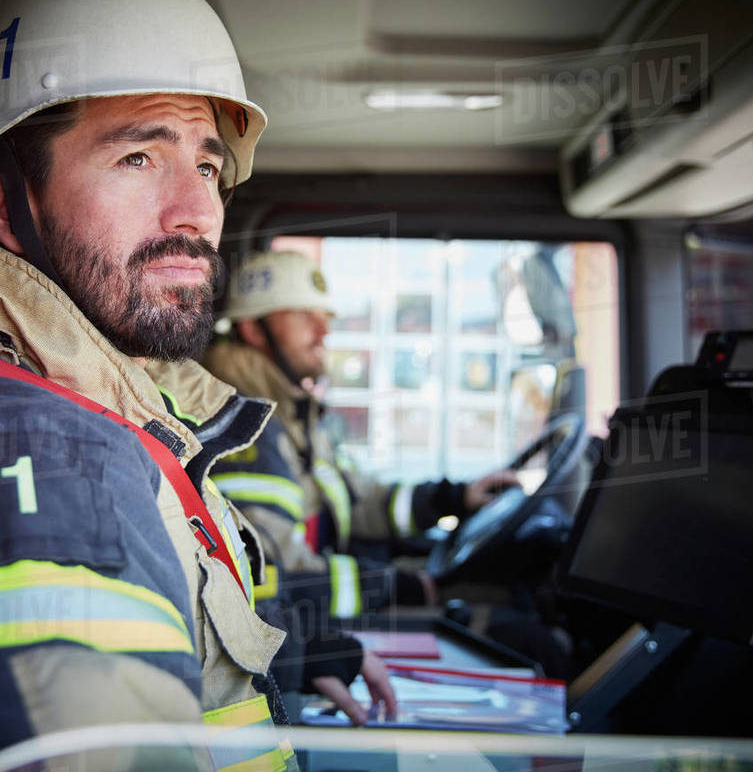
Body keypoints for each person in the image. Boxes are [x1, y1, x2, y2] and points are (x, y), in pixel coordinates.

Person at [0, 0, 295, 768]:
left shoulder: (120, 397)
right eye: (136, 156)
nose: (195, 210)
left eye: (206, 164)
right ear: (4, 204)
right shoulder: (39, 444)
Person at [203, 251, 521, 618]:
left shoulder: (289, 412)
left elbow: (355, 499)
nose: (324, 330)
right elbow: (273, 571)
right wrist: (393, 587)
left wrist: (451, 498)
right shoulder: (244, 429)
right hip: (295, 625)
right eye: (304, 317)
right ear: (253, 330)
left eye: (325, 318)